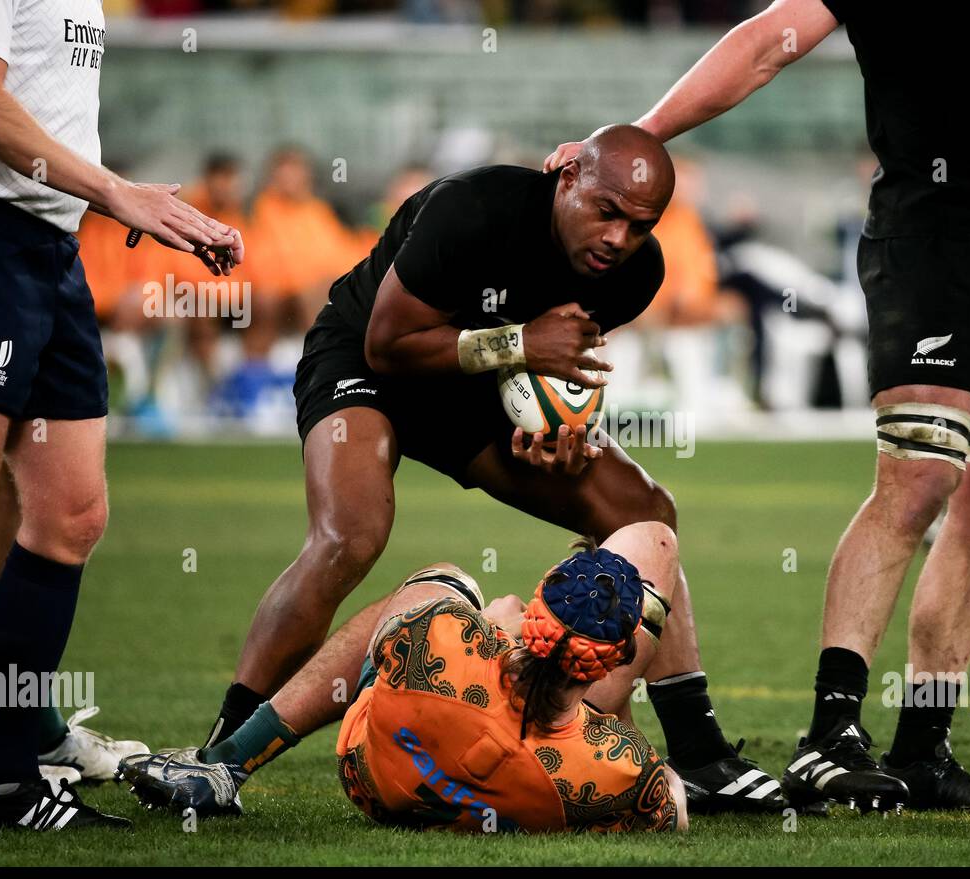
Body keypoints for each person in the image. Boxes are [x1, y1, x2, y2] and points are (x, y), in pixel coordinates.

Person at [546, 0, 970, 812]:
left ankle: (924, 751)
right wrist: (644, 133)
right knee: (921, 477)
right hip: (930, 237)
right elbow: (767, 42)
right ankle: (831, 735)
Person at [184, 124, 782, 814]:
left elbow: (564, 373)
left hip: (482, 385)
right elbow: (389, 343)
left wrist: (561, 432)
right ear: (567, 180)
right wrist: (522, 341)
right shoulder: (474, 207)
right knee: (351, 533)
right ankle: (222, 751)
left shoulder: (634, 273)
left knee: (643, 511)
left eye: (640, 226)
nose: (619, 237)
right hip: (371, 361)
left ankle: (694, 749)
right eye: (607, 211)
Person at [0, 0, 243, 830]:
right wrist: (116, 192)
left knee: (69, 515)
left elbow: (44, 109)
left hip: (50, 250)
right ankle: (5, 770)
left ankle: (17, 748)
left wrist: (128, 206)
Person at [119, 522, 687, 833]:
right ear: (618, 657)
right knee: (656, 538)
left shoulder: (443, 632)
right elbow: (672, 813)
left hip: (371, 777)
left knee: (444, 580)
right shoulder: (625, 768)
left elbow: (403, 637)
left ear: (538, 608)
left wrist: (496, 624)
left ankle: (228, 763)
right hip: (503, 796)